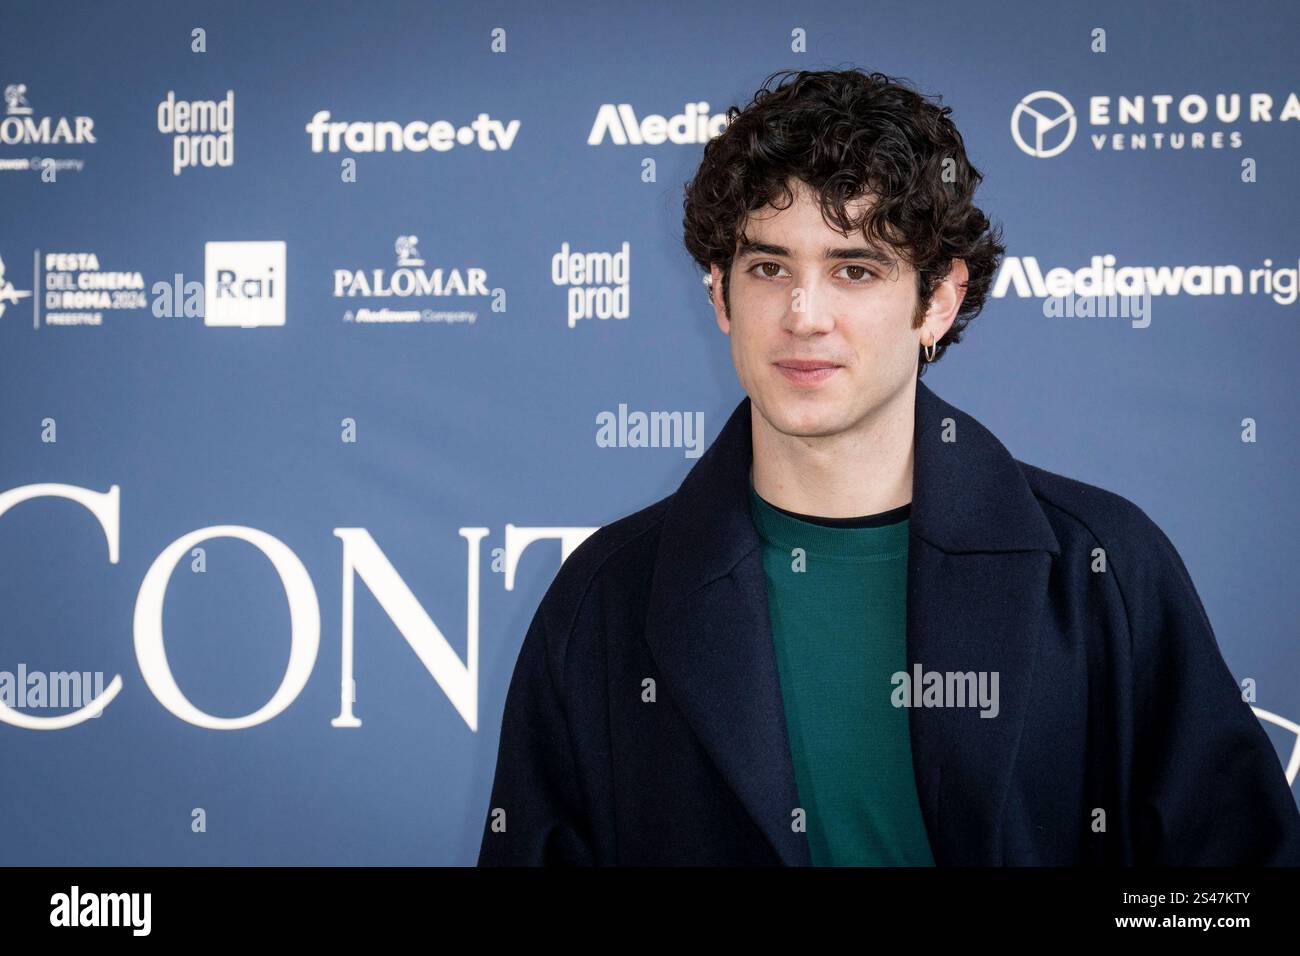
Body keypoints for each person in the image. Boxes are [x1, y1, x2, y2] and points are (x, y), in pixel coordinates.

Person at [477, 68, 1300, 865]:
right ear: (720, 296)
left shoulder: (1102, 566)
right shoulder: (603, 600)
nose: (804, 316)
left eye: (855, 270)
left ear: (937, 300)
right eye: (769, 268)